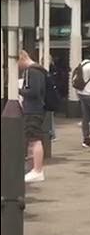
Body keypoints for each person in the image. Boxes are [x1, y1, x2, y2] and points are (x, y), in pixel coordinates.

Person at [18, 50, 49, 182]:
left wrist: (18, 90)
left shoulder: (32, 71)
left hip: (33, 109)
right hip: (35, 108)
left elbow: (34, 92)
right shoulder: (37, 70)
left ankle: (37, 170)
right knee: (32, 138)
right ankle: (35, 169)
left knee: (35, 138)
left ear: (21, 58)